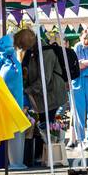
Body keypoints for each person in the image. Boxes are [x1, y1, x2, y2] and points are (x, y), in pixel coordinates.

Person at [15, 27, 70, 166]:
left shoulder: (46, 53)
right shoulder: (33, 52)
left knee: (46, 124)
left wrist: (27, 90)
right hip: (42, 95)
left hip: (52, 94)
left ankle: (48, 156)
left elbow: (44, 80)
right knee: (43, 125)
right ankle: (43, 155)